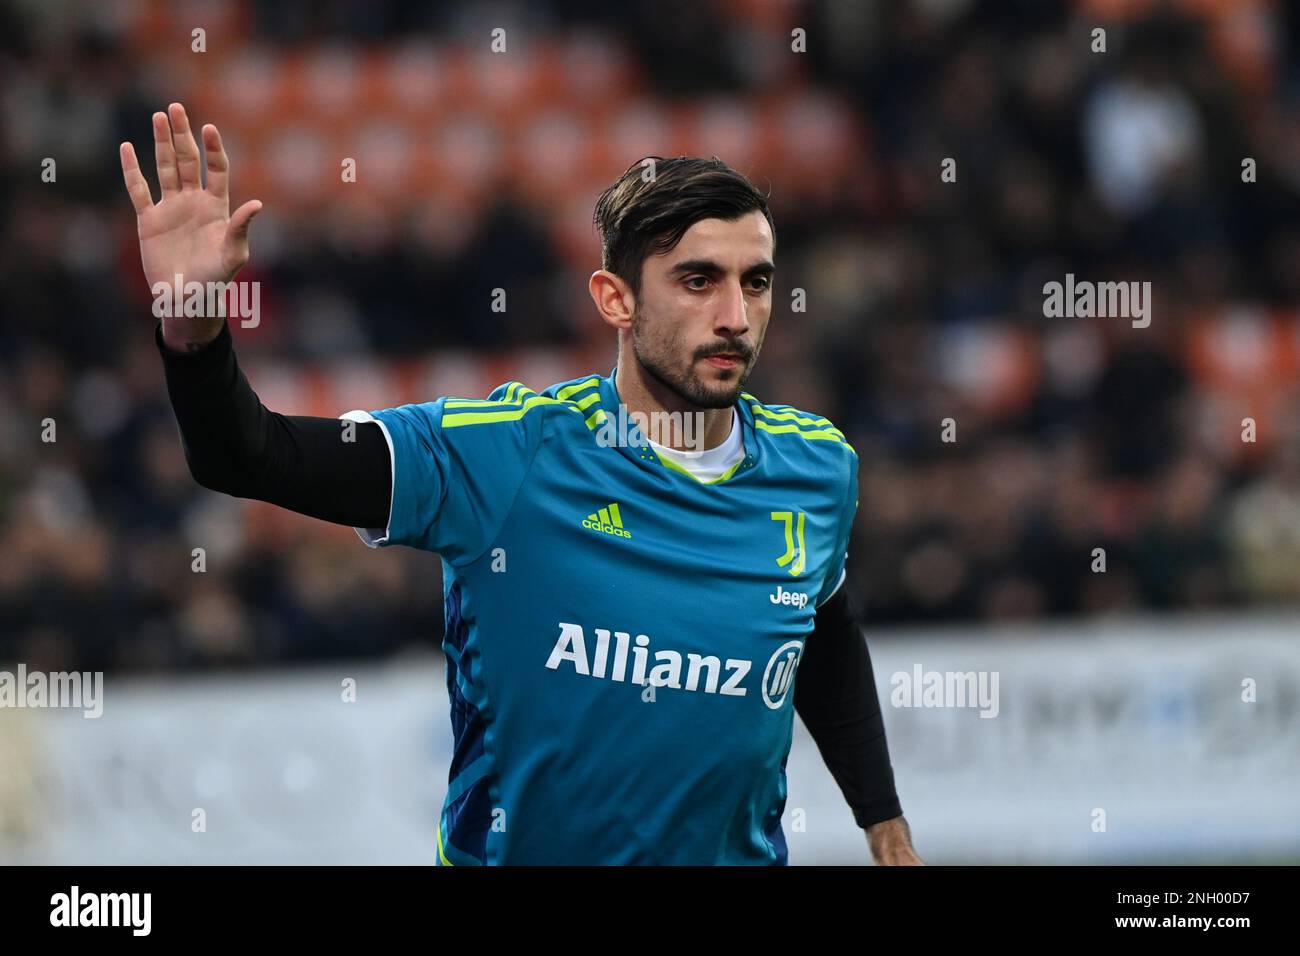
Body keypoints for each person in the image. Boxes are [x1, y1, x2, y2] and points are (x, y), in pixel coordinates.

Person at [120, 102, 921, 865]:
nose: (736, 318)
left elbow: (822, 629)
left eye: (756, 282)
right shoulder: (504, 454)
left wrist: (882, 823)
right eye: (698, 280)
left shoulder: (818, 468)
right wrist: (194, 325)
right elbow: (244, 455)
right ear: (616, 298)